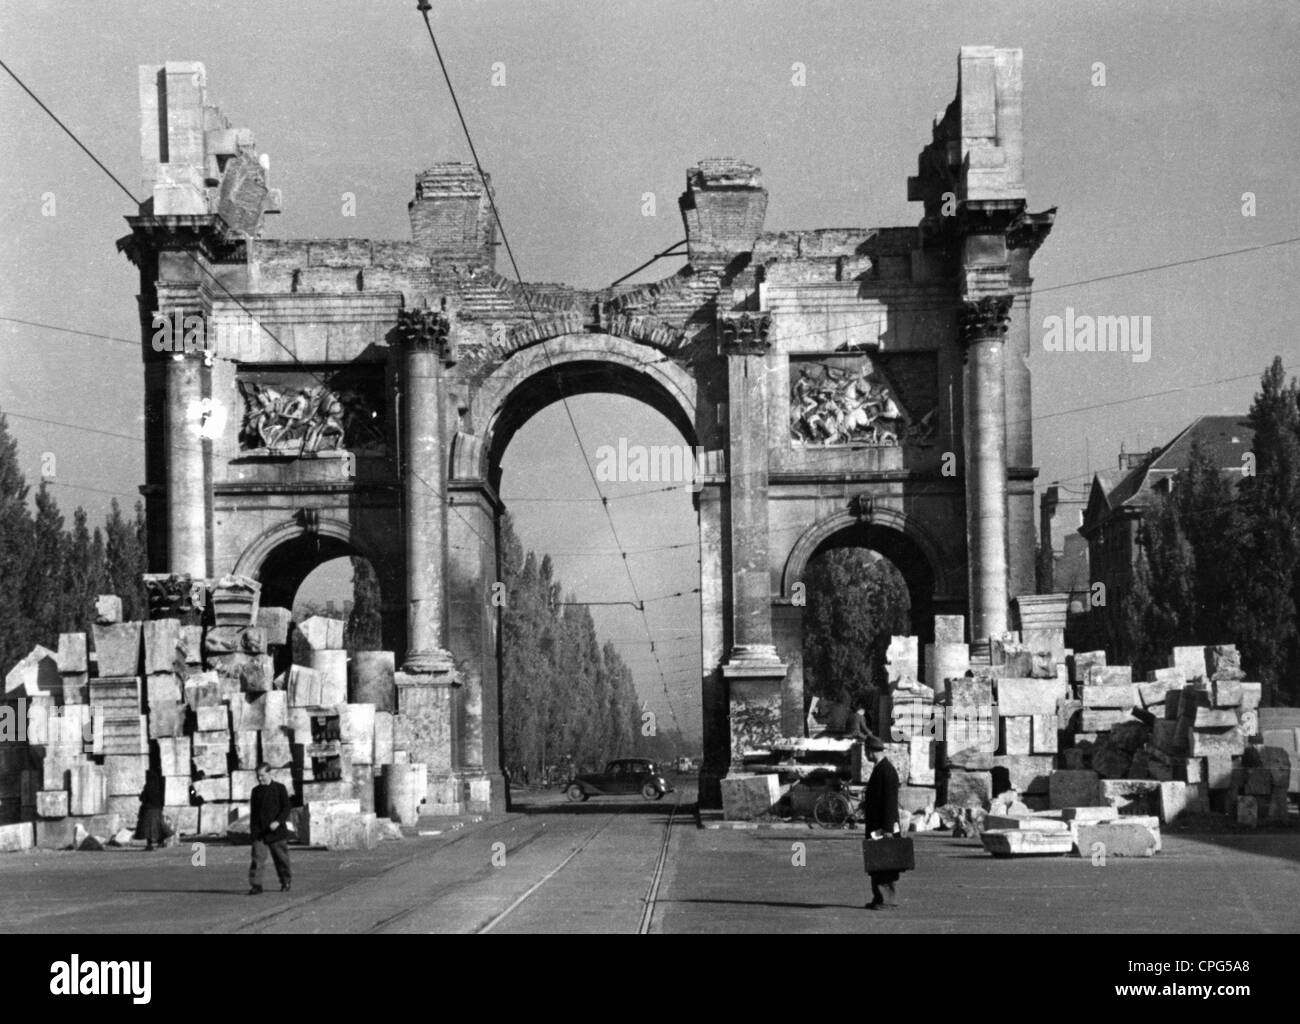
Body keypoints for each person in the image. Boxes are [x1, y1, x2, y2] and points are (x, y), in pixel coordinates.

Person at [859, 735, 902, 910]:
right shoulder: (882, 769)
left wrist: (888, 829)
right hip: (878, 827)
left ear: (870, 751)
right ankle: (879, 898)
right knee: (877, 861)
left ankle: (887, 900)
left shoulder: (886, 771)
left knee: (884, 863)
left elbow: (890, 802)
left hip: (883, 828)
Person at [248, 764, 292, 895]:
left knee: (281, 859)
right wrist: (253, 832)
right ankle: (256, 885)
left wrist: (278, 822)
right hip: (259, 832)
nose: (260, 779)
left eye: (262, 775)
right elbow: (253, 813)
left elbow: (286, 808)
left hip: (276, 831)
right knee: (257, 859)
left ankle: (285, 881)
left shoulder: (279, 788)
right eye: (258, 776)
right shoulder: (255, 791)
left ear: (269, 773)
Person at [137, 770, 166, 851]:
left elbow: (143, 798)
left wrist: (140, 796)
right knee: (159, 826)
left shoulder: (148, 786)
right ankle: (161, 842)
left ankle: (149, 845)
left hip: (149, 809)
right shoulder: (159, 787)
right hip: (158, 809)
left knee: (148, 829)